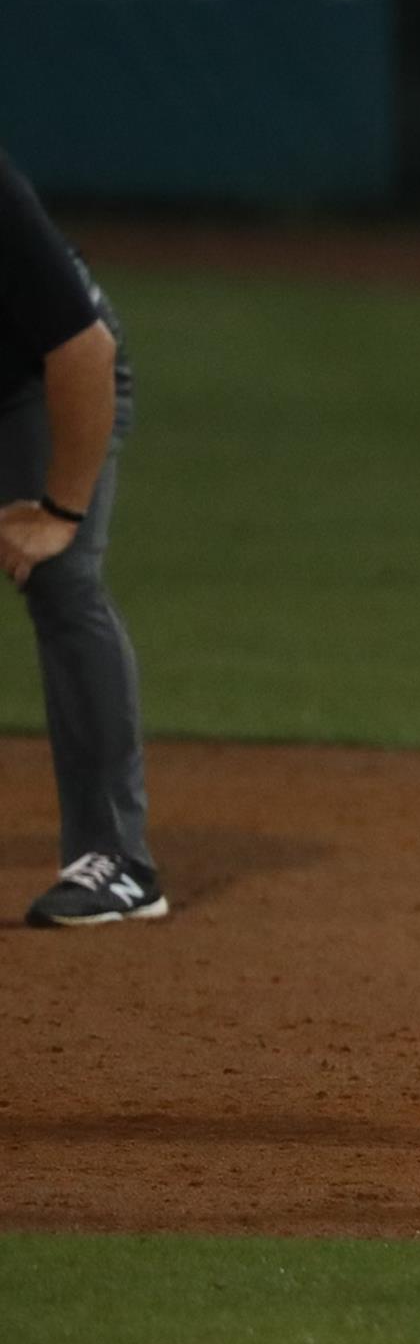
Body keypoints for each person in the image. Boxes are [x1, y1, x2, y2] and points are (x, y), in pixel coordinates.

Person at [1, 149, 164, 929]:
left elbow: (83, 350)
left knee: (62, 583)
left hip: (48, 374)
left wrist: (58, 513)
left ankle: (119, 860)